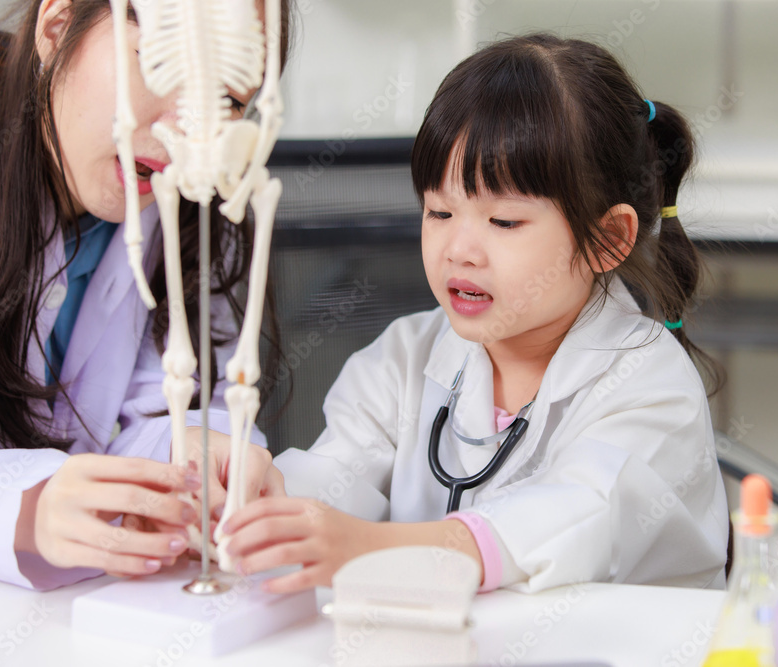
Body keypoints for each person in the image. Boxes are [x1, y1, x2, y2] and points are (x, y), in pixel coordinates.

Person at [217, 33, 730, 594]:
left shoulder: (649, 386)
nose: (458, 249)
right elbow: (334, 477)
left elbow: (574, 520)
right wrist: (261, 502)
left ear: (608, 239)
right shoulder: (403, 358)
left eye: (503, 222)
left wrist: (364, 547)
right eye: (438, 211)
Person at [0, 0, 291, 589]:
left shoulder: (196, 207)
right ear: (58, 26)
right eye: (160, 67)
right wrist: (24, 507)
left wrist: (192, 447)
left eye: (228, 102)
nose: (186, 131)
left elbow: (166, 405)